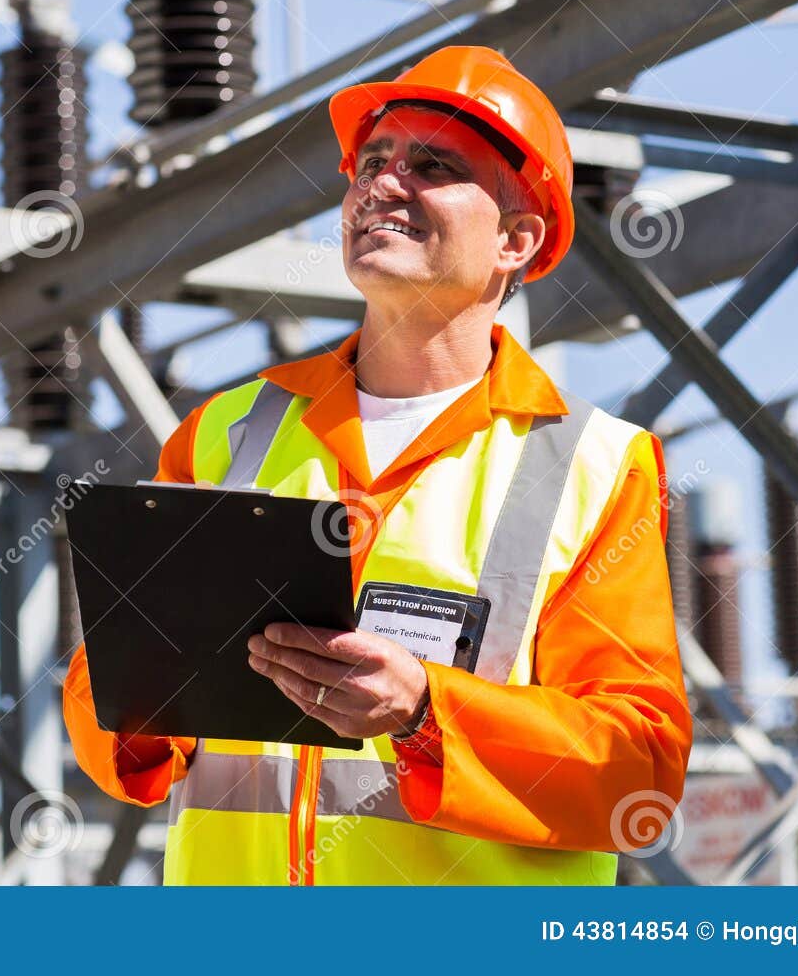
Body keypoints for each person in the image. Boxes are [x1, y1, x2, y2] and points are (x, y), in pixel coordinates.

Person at [63, 44, 691, 885]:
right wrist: (141, 698)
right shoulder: (227, 432)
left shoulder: (595, 465)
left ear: (517, 238)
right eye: (373, 161)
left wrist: (428, 711)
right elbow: (108, 709)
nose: (382, 184)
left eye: (432, 165)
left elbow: (637, 770)